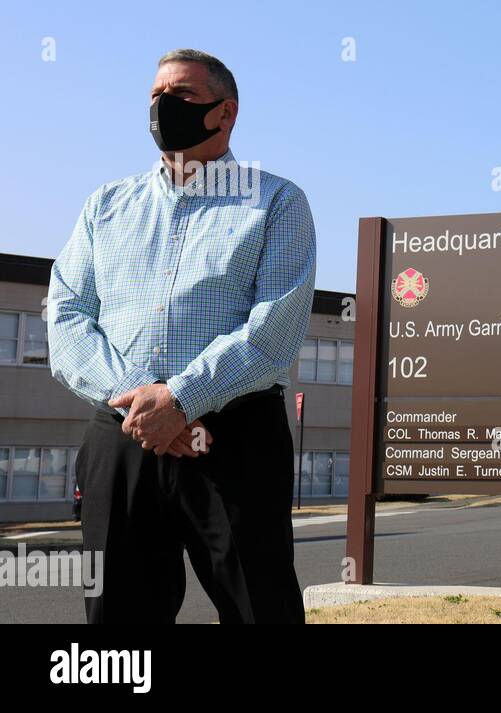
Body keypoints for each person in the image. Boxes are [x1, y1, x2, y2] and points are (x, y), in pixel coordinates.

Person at [47, 49, 316, 624]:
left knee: (259, 608)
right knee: (116, 618)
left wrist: (181, 400)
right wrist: (145, 405)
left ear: (226, 114)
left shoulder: (277, 203)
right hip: (122, 438)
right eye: (155, 97)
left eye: (183, 96)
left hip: (234, 439)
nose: (163, 107)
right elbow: (67, 317)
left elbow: (273, 332)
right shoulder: (105, 206)